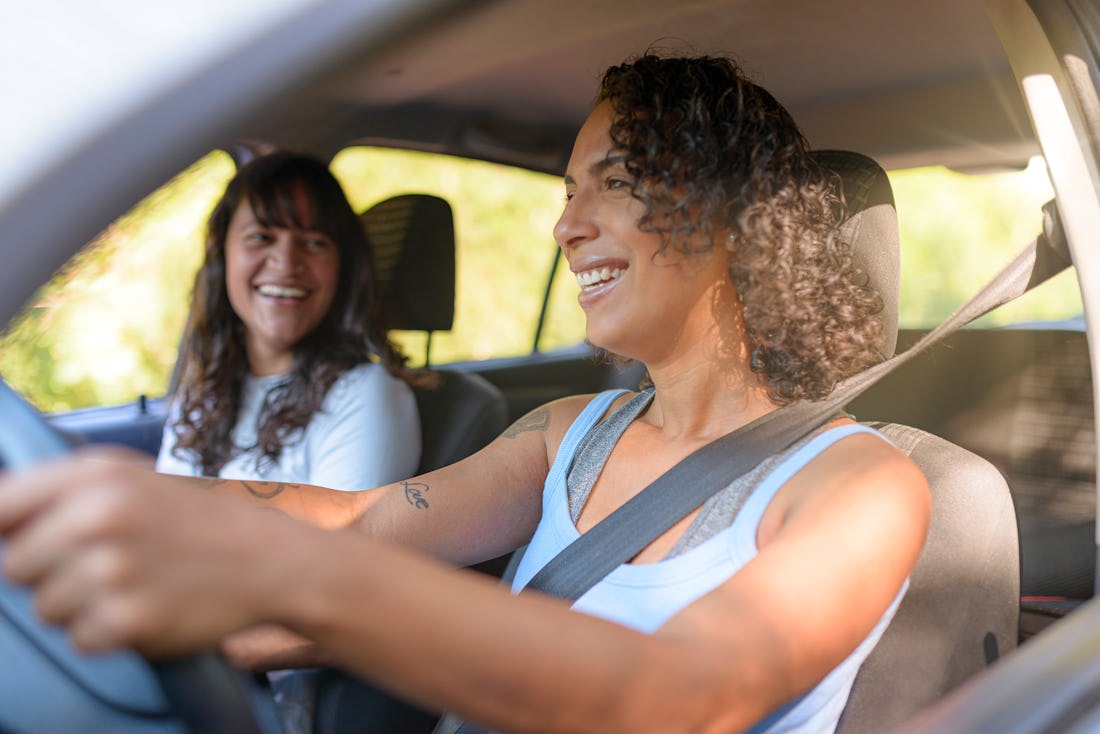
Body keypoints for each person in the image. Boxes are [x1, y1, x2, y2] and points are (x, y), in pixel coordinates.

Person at [0, 54, 930, 733]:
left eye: (613, 182)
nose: (566, 226)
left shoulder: (864, 488)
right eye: (568, 191)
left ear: (734, 215)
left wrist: (295, 577)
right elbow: (363, 520)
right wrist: (103, 506)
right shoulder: (571, 431)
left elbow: (678, 697)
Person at [156, 151, 422, 491]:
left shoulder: (364, 394)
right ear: (223, 256)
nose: (285, 263)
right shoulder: (204, 391)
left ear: (343, 270)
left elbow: (339, 528)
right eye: (261, 237)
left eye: (314, 242)